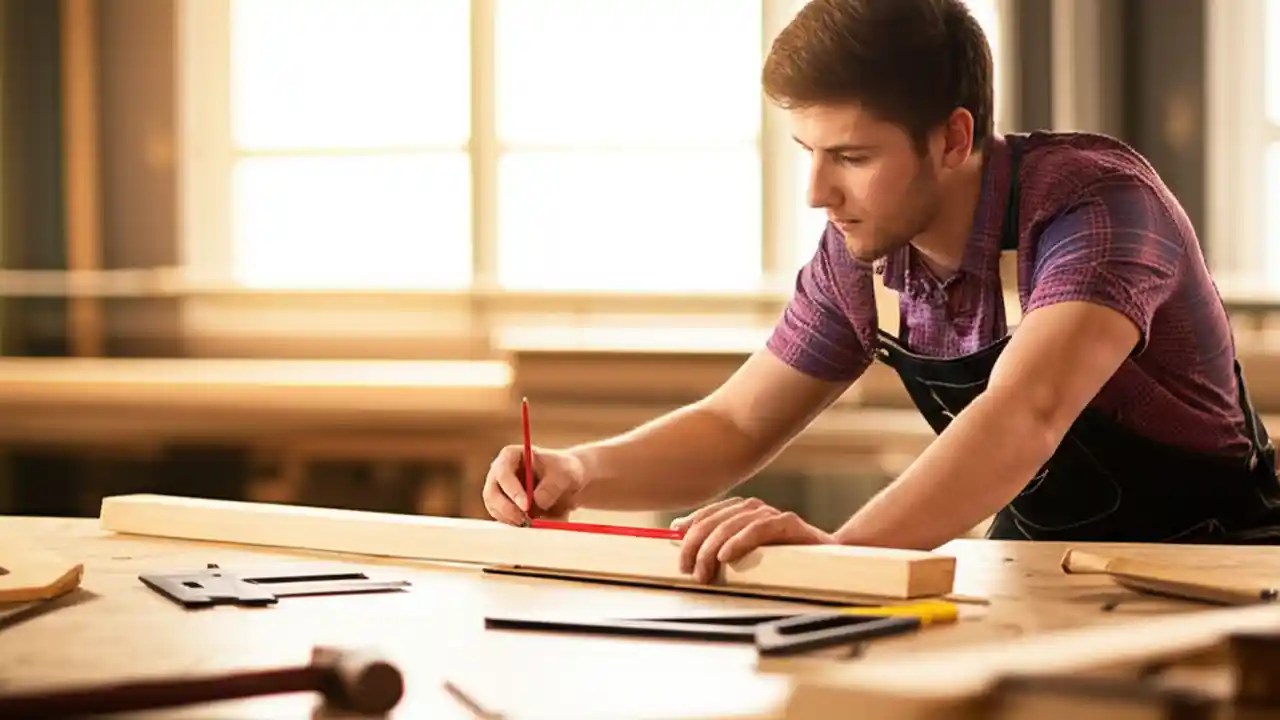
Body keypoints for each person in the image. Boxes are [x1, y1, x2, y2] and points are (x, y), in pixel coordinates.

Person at [482, 0, 1280, 583]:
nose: (817, 193)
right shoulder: (863, 255)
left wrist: (841, 558)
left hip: (1218, 568)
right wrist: (581, 470)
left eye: (853, 156)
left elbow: (1024, 411)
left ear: (954, 137)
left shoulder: (1097, 209)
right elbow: (734, 424)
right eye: (808, 152)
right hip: (1050, 569)